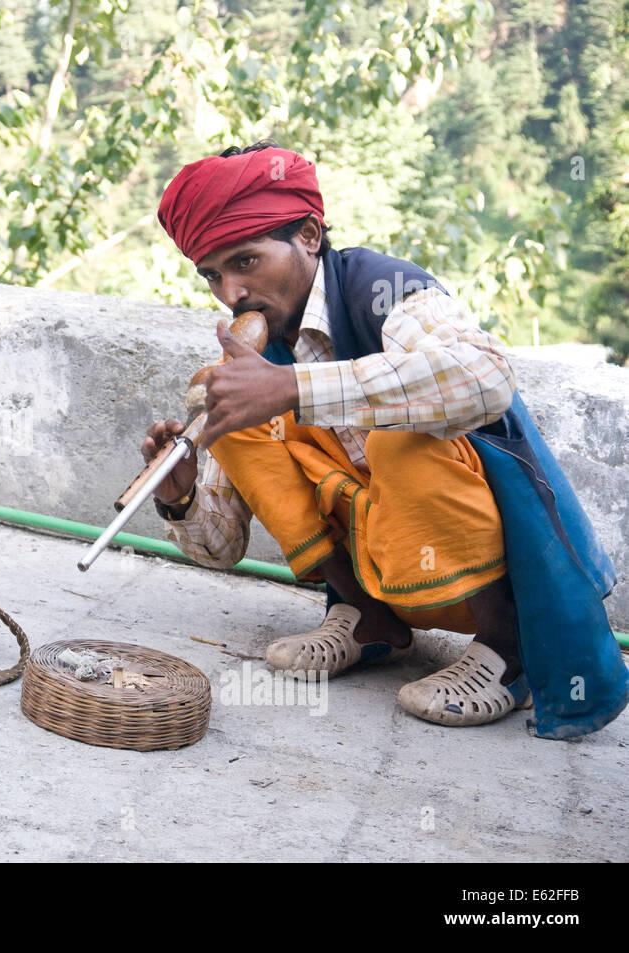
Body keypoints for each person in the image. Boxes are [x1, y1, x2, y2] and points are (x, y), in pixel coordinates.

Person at [143, 141, 627, 737]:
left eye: (246, 262)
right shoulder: (256, 351)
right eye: (213, 275)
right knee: (234, 418)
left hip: (473, 567)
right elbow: (219, 552)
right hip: (386, 567)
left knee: (399, 435)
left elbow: (486, 377)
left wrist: (291, 387)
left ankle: (509, 652)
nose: (232, 293)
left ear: (311, 236)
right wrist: (180, 494)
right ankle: (369, 620)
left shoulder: (385, 287)